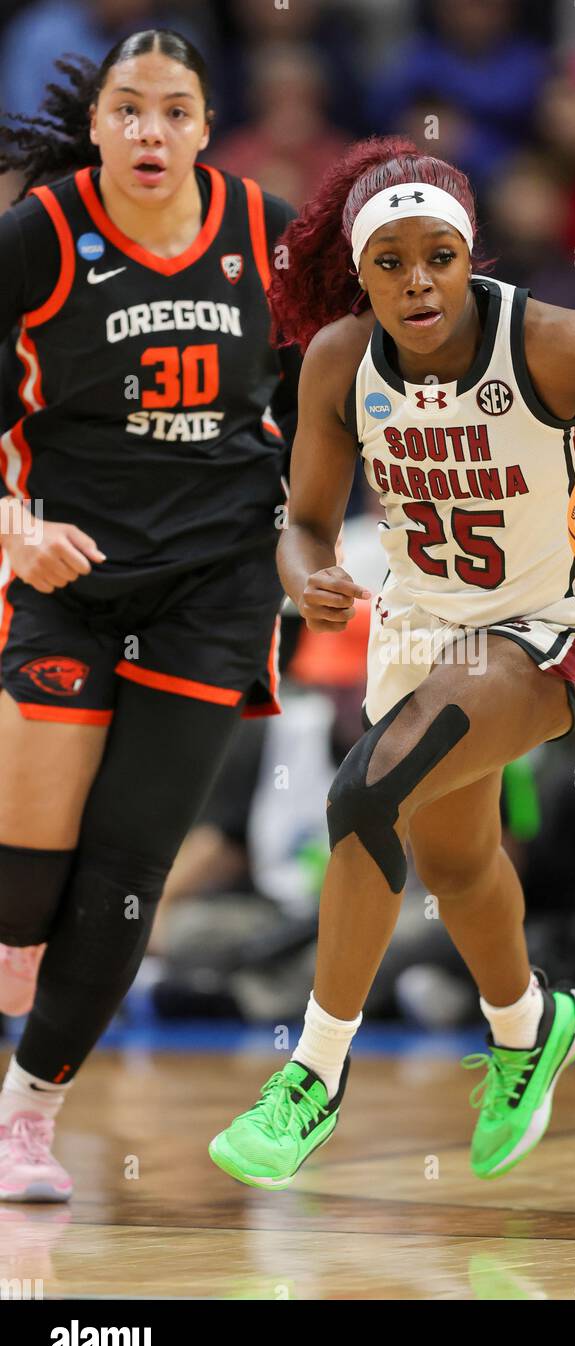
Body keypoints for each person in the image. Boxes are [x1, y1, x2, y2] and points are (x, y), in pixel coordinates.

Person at [208, 134, 575, 1190]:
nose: (417, 281)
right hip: (422, 626)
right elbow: (307, 522)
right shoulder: (337, 361)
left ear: (470, 257)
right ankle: (531, 1024)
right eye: (391, 262)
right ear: (361, 274)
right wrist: (305, 574)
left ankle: (312, 1074)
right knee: (454, 861)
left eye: (438, 256)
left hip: (550, 624)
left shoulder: (554, 342)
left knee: (362, 794)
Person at [0, 29, 299, 1201]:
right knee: (30, 879)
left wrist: (310, 537)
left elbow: (336, 382)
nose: (149, 134)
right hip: (70, 579)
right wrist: (13, 529)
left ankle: (31, 1114)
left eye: (174, 111)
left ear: (206, 126)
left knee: (128, 870)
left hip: (217, 585)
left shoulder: (265, 234)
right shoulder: (39, 236)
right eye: (128, 110)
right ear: (97, 124)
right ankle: (21, 944)